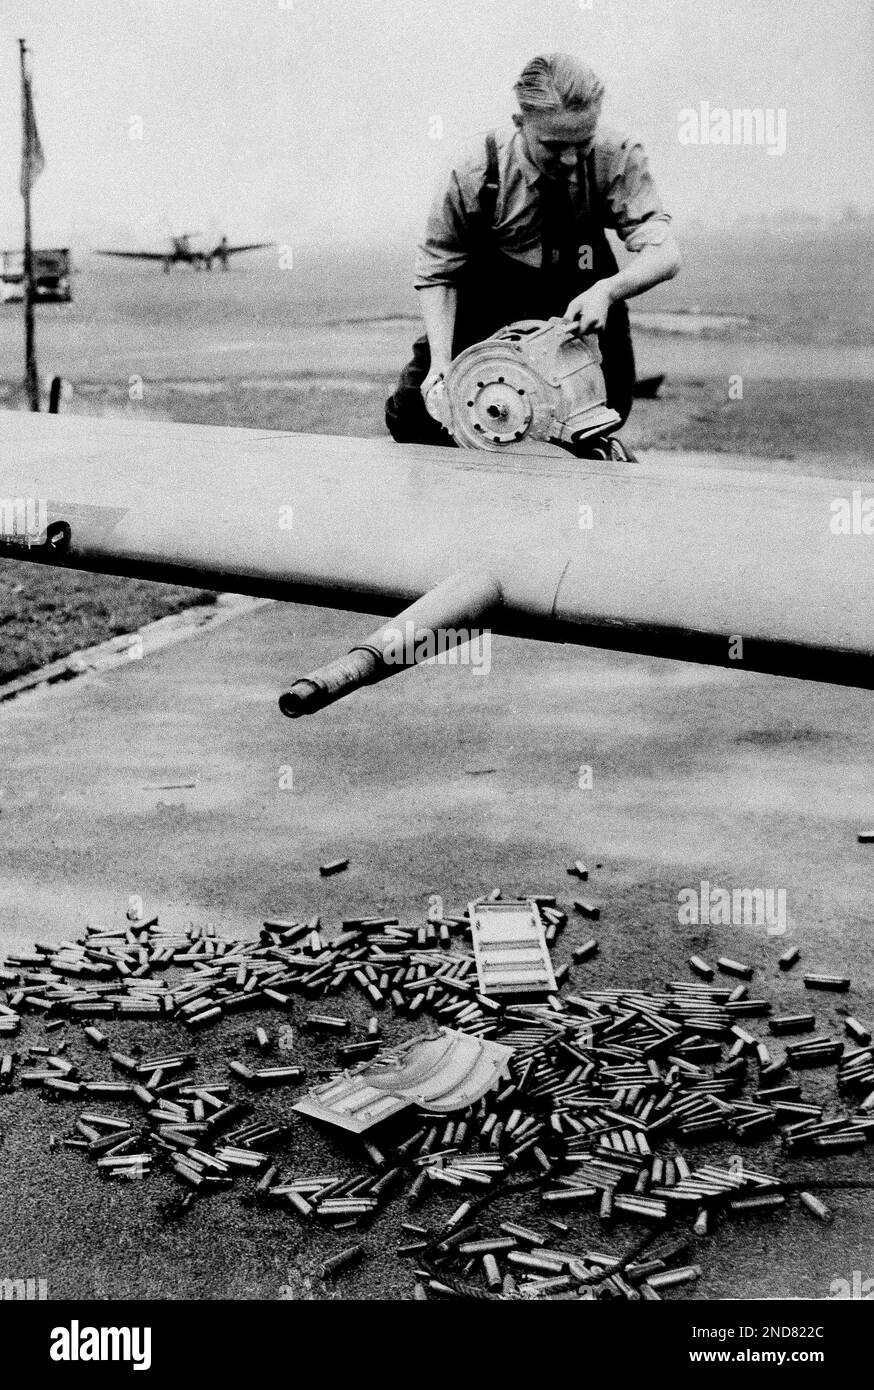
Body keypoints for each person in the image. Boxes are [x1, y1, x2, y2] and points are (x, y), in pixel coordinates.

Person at [385, 52, 681, 449]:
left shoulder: (618, 155)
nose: (572, 159)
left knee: (603, 412)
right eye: (554, 145)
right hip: (489, 293)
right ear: (520, 124)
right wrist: (441, 362)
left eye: (583, 143)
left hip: (580, 291)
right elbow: (438, 271)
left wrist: (607, 291)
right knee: (416, 417)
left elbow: (666, 254)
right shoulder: (474, 170)